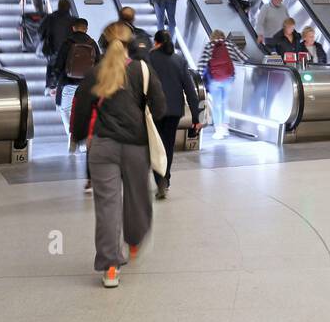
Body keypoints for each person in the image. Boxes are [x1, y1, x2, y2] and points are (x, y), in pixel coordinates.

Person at [69, 22, 167, 287]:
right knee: (138, 198)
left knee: (107, 207)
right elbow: (160, 108)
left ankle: (110, 267)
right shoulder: (141, 70)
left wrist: (79, 136)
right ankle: (134, 240)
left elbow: (80, 110)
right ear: (131, 44)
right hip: (135, 146)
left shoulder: (95, 73)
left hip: (102, 147)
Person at [147, 30, 201, 200]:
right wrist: (196, 117)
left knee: (156, 146)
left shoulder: (149, 59)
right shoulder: (180, 60)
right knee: (168, 145)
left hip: (155, 110)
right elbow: (190, 90)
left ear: (156, 43)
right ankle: (166, 179)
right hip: (175, 110)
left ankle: (160, 180)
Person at [197, 29, 247, 139]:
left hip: (214, 79)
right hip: (228, 78)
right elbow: (243, 57)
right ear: (223, 36)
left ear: (212, 37)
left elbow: (202, 63)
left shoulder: (209, 45)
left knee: (217, 103)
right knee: (225, 102)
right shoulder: (229, 44)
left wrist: (198, 78)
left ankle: (218, 129)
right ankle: (225, 127)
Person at [53, 16, 98, 115]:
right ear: (86, 29)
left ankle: (70, 131)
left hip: (68, 82)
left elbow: (58, 65)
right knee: (85, 111)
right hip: (87, 84)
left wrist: (56, 83)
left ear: (73, 28)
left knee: (66, 110)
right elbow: (99, 64)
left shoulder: (67, 43)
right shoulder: (92, 44)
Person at [39, 0, 75, 95]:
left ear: (59, 6)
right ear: (69, 8)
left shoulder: (50, 17)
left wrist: (44, 38)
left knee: (51, 66)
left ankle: (49, 86)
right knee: (65, 68)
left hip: (52, 49)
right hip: (68, 51)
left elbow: (40, 31)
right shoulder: (74, 20)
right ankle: (63, 89)